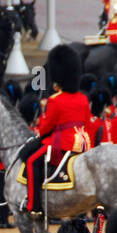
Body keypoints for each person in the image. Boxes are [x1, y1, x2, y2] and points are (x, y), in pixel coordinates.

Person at [19, 45, 90, 216]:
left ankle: (34, 206)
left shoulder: (55, 100)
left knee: (31, 161)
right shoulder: (83, 98)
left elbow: (45, 128)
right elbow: (87, 122)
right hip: (83, 141)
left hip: (63, 141)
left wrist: (43, 116)